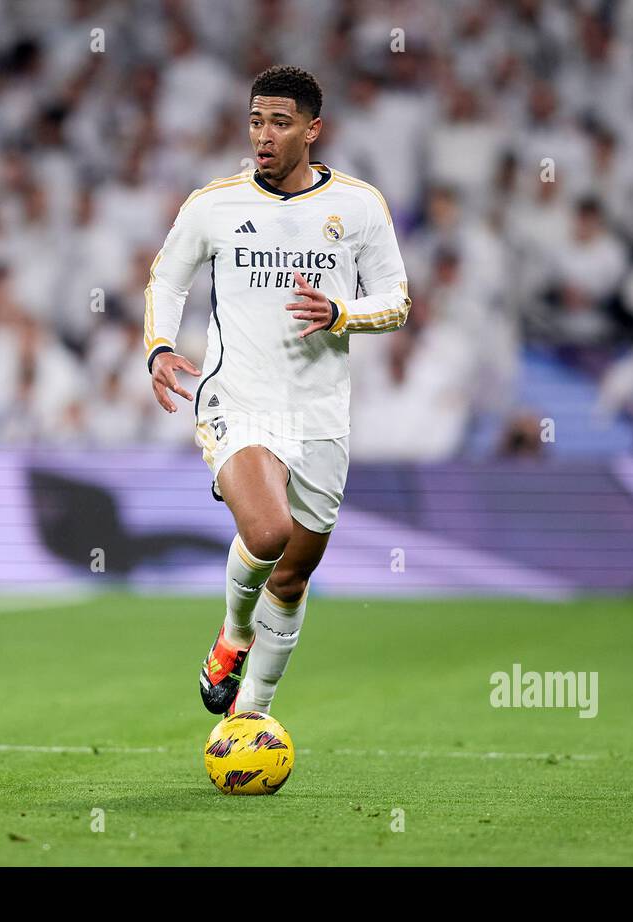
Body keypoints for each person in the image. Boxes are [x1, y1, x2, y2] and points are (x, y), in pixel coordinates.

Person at [144, 65, 410, 716]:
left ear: (313, 130)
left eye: (280, 122)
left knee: (292, 576)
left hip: (320, 412)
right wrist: (159, 345)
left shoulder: (357, 206)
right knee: (267, 533)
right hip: (237, 397)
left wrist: (343, 314)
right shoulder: (214, 204)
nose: (264, 135)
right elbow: (167, 277)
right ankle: (233, 634)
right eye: (256, 121)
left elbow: (398, 301)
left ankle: (252, 713)